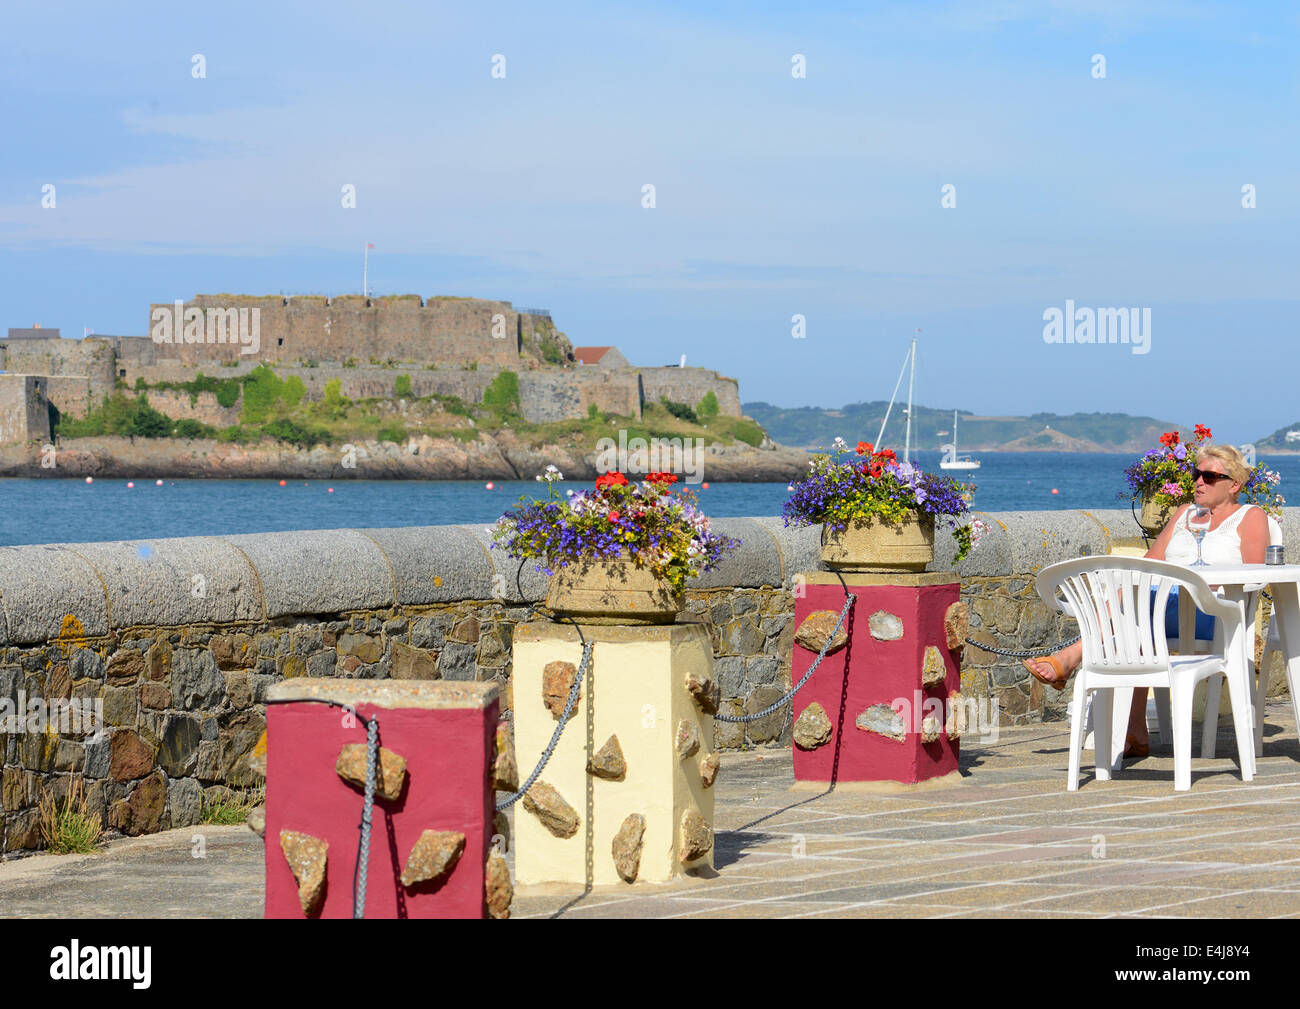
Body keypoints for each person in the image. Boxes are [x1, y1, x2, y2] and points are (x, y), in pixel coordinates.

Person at [1022, 444, 1268, 757]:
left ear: (1234, 484)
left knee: (1133, 608)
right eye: (1196, 474)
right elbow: (1150, 562)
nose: (1199, 482)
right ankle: (1135, 729)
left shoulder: (1250, 516)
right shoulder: (1184, 514)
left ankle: (1071, 657)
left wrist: (1197, 582)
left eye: (1209, 476)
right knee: (1131, 602)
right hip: (1168, 608)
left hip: (1215, 613)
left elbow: (1253, 574)